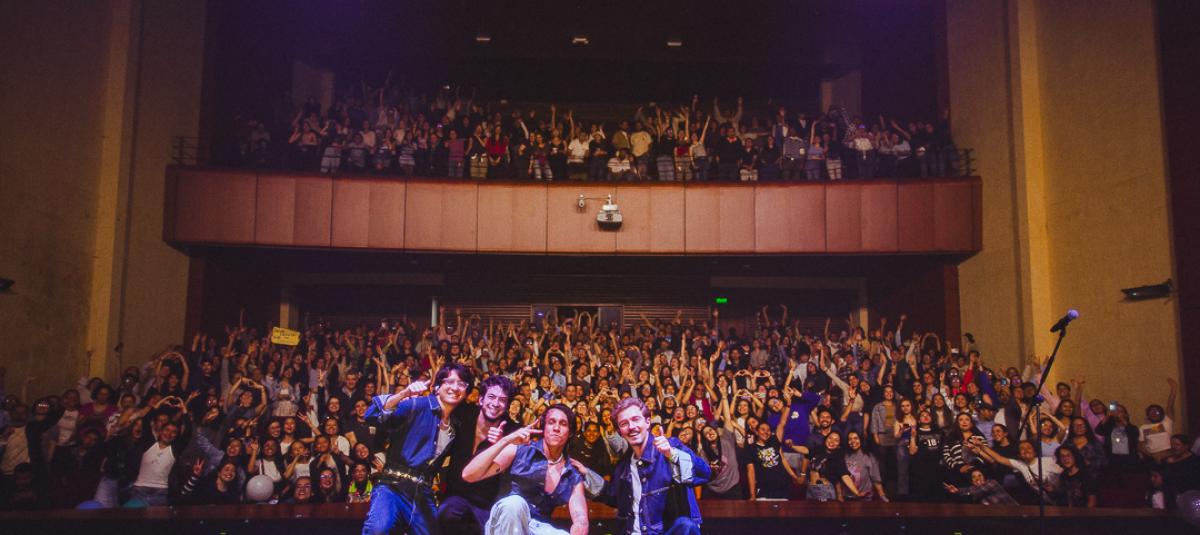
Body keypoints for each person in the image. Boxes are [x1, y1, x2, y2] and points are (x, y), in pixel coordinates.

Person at [361, 363, 474, 535]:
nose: (455, 387)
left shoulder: (456, 426)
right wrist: (404, 394)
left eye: (462, 384)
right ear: (437, 387)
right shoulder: (417, 405)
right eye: (450, 381)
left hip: (422, 493)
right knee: (378, 529)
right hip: (393, 486)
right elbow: (372, 416)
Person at [462, 404, 588, 535]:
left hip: (537, 527)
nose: (556, 428)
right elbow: (468, 474)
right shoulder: (520, 450)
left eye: (563, 424)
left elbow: (581, 520)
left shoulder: (572, 474)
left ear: (570, 432)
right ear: (543, 427)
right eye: (551, 422)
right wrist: (506, 440)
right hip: (505, 521)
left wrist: (579, 529)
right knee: (515, 504)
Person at [597, 397, 710, 535]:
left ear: (648, 421)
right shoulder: (623, 467)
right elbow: (613, 497)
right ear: (620, 431)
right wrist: (585, 475)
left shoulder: (671, 446)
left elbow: (704, 473)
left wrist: (671, 454)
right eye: (624, 423)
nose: (631, 426)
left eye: (635, 419)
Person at [438, 375, 518, 534]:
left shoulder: (511, 432)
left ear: (507, 406)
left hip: (487, 506)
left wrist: (500, 445)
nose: (496, 403)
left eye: (502, 400)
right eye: (491, 397)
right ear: (481, 399)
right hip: (454, 498)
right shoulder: (463, 415)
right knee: (447, 513)